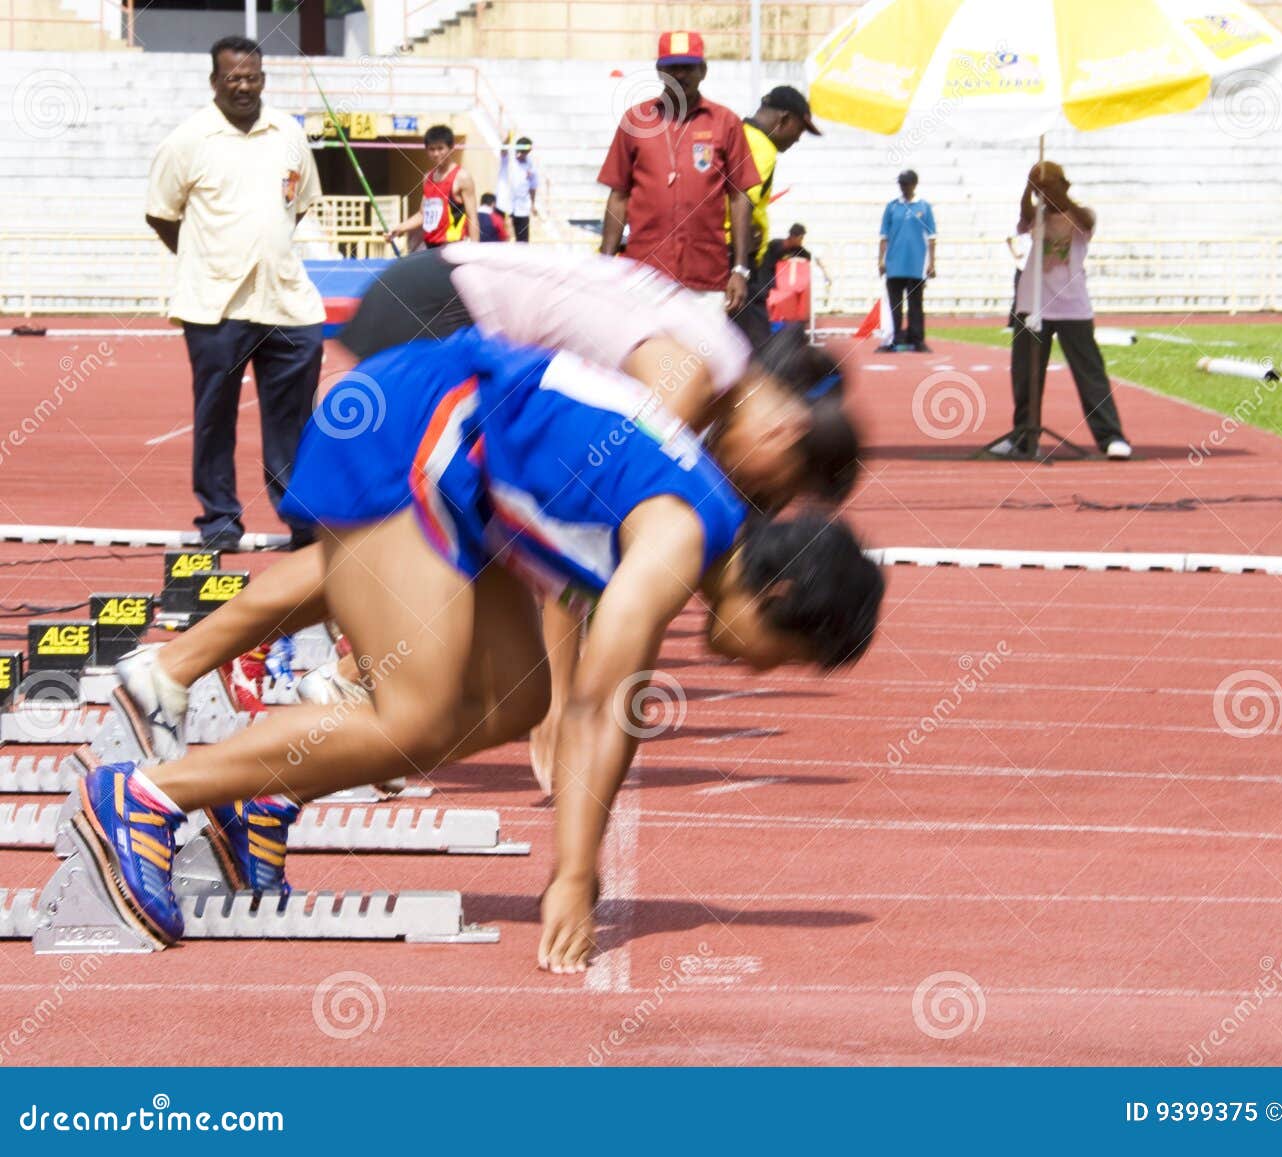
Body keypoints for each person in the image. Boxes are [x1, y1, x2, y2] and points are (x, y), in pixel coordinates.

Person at [74, 324, 884, 974]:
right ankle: (144, 796)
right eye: (775, 654)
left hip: (463, 477)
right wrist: (575, 875)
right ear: (775, 598)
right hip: (402, 427)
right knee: (418, 712)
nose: (754, 669)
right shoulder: (681, 536)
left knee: (515, 697)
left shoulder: (697, 523)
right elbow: (605, 704)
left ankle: (259, 796)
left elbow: (594, 698)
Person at [110, 246, 862, 765]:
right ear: (783, 425)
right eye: (779, 482)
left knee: (413, 545)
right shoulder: (688, 375)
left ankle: (216, 675)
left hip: (452, 329)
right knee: (404, 544)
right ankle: (296, 680)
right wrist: (568, 708)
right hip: (438, 314)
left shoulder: (715, 365)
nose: (760, 498)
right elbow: (579, 529)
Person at [144, 36, 325, 553]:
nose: (244, 86)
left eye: (252, 77)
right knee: (215, 416)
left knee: (294, 419)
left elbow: (301, 202)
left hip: (286, 302)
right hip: (214, 307)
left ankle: (302, 520)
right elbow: (161, 213)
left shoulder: (289, 132)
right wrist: (204, 260)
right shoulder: (189, 139)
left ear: (264, 79)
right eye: (233, 78)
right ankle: (220, 519)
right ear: (214, 82)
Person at [599, 30, 758, 316]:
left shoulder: (726, 123)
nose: (681, 75)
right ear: (659, 71)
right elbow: (618, 195)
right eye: (673, 68)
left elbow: (739, 198)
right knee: (645, 357)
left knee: (701, 359)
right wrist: (606, 263)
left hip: (706, 276)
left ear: (703, 70)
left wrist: (740, 269)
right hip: (644, 276)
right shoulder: (635, 121)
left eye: (688, 67)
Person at [1003, 161, 1131, 460]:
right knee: (1025, 374)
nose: (1045, 193)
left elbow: (1084, 222)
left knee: (1089, 373)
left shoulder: (1081, 216)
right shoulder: (1035, 216)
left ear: (1065, 186)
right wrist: (1029, 187)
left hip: (1072, 306)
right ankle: (1024, 437)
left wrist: (1056, 192)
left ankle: (1111, 436)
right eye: (1042, 188)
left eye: (1051, 186)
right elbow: (1023, 218)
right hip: (1032, 305)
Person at [726, 85, 822, 346]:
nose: (798, 139)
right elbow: (742, 199)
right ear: (784, 119)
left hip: (724, 254)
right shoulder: (762, 147)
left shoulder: (738, 133)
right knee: (758, 352)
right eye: (799, 130)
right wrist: (740, 267)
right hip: (736, 258)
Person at [388, 124, 478, 250]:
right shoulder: (427, 178)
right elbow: (422, 214)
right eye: (431, 149)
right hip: (430, 247)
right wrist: (400, 228)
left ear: (451, 148)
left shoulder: (462, 178)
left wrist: (474, 251)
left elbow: (472, 217)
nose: (436, 154)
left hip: (452, 247)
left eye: (441, 148)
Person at [878, 169, 936, 353]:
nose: (902, 187)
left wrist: (932, 263)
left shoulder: (924, 207)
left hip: (916, 264)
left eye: (905, 183)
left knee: (916, 305)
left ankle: (917, 339)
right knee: (894, 305)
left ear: (913, 184)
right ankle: (893, 339)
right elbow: (883, 236)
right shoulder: (892, 207)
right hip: (895, 263)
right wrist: (881, 260)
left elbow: (932, 236)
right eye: (901, 184)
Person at [499, 136, 539, 240]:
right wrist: (508, 137)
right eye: (519, 151)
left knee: (523, 241)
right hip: (504, 205)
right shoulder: (508, 159)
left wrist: (533, 204)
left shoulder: (531, 165)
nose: (520, 154)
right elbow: (503, 149)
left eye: (524, 152)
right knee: (503, 238)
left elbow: (533, 187)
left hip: (522, 207)